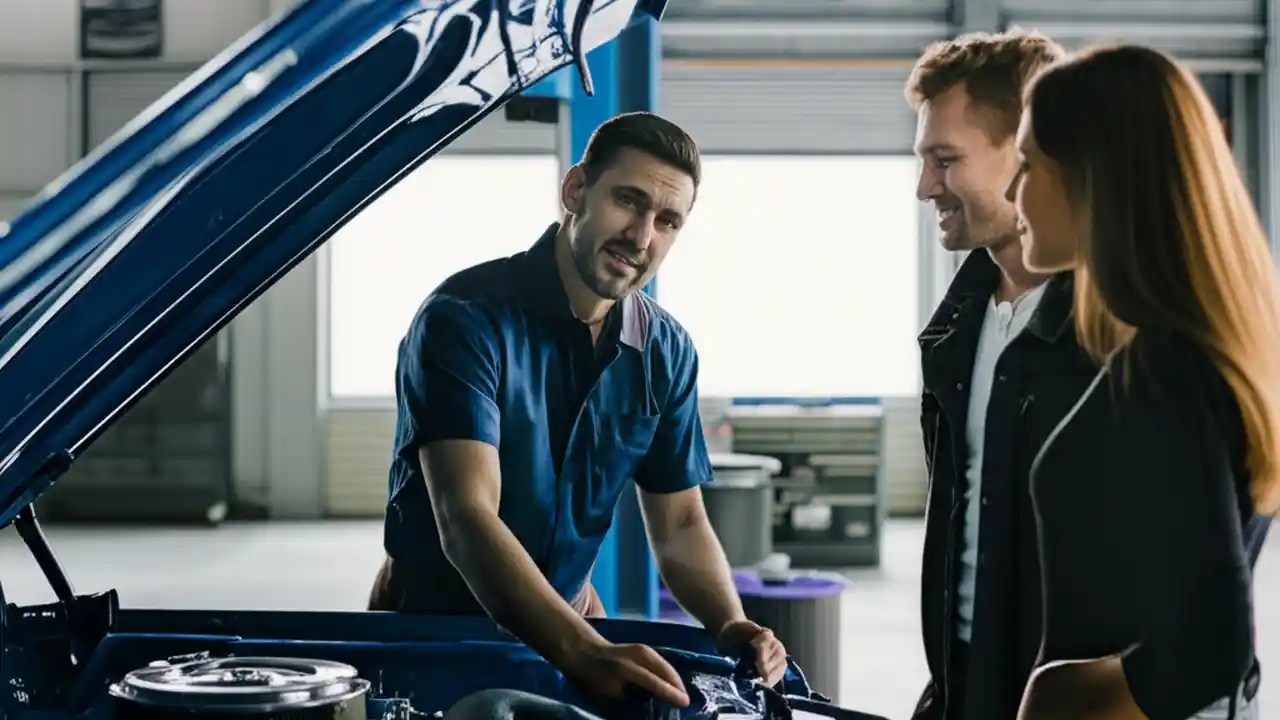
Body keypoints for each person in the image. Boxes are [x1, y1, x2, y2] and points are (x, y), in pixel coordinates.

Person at [367, 111, 788, 710]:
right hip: (436, 632)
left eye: (667, 221)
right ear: (575, 192)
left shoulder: (665, 352)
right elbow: (467, 516)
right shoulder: (465, 319)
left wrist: (729, 622)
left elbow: (680, 525)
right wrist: (583, 650)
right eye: (628, 201)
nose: (641, 236)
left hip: (573, 623)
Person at [1009, 44, 1277, 720]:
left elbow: (1210, 650)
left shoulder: (1165, 369)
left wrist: (1056, 693)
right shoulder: (1192, 353)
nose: (1013, 194)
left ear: (1093, 178)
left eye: (1029, 165)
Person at [905, 29, 1101, 720]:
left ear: (1027, 153)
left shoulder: (1122, 330)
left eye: (945, 160)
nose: (925, 187)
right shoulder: (954, 329)